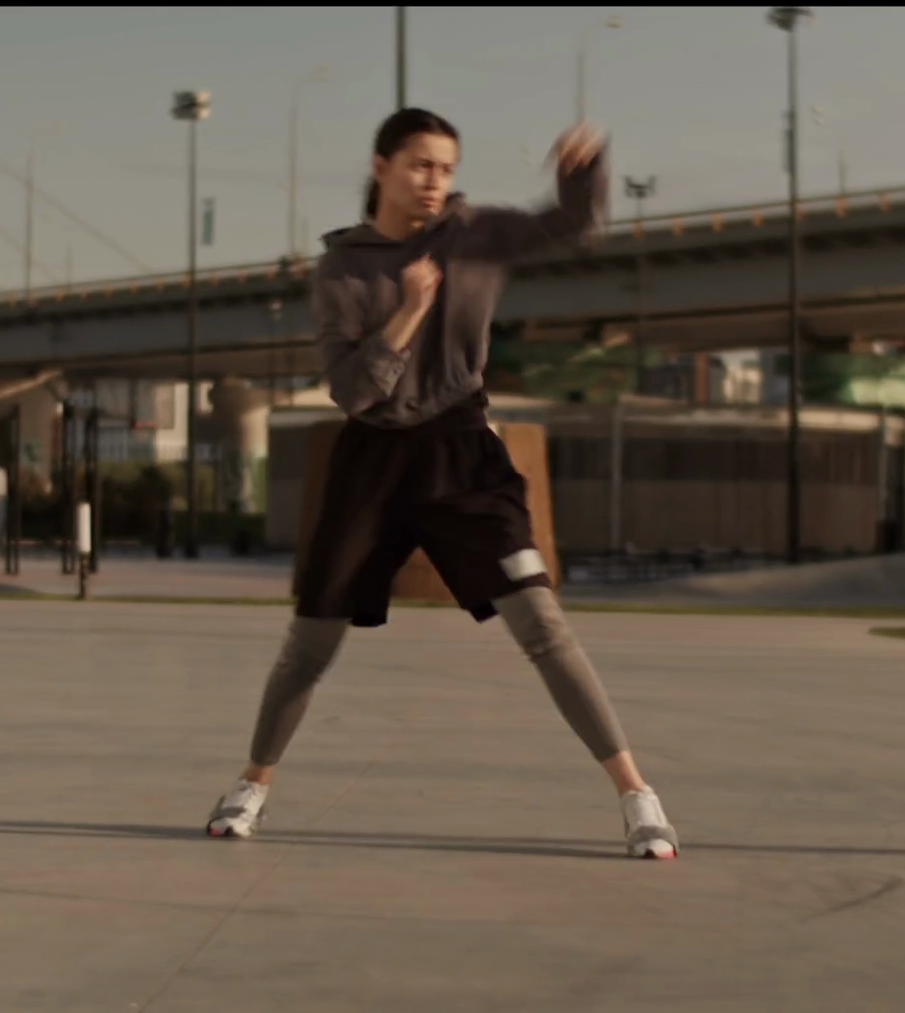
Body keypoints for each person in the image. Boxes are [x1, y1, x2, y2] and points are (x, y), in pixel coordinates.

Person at [203, 107, 680, 860]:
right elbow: (354, 392)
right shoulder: (344, 269)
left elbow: (570, 225)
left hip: (464, 452)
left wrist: (582, 171)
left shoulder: (474, 236)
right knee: (309, 644)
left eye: (447, 168)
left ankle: (637, 794)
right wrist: (408, 313)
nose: (435, 182)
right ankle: (251, 783)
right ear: (381, 167)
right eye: (420, 165)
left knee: (544, 626)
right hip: (372, 462)